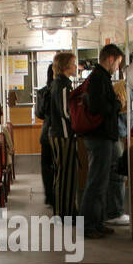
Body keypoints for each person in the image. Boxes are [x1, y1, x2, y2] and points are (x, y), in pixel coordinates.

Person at [81, 43, 125, 239]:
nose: (117, 67)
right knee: (96, 182)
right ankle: (89, 225)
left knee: (101, 181)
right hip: (99, 137)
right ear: (110, 59)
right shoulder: (99, 79)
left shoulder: (99, 78)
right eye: (117, 63)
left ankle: (97, 222)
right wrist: (117, 104)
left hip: (100, 136)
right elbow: (99, 107)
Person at [47, 51, 79, 219]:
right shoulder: (63, 85)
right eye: (73, 63)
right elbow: (67, 112)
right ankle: (65, 213)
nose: (75, 66)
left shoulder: (56, 83)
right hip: (64, 135)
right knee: (66, 175)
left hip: (57, 133)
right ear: (66, 66)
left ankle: (63, 211)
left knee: (62, 174)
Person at [105, 78, 130, 227]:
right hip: (116, 134)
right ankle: (115, 212)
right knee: (117, 174)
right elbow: (123, 113)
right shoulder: (124, 89)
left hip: (116, 134)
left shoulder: (120, 86)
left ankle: (114, 210)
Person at [36, 65, 55, 205]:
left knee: (46, 165)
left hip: (45, 132)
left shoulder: (42, 92)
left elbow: (39, 114)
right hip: (58, 133)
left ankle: (49, 195)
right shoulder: (63, 89)